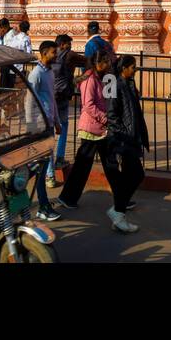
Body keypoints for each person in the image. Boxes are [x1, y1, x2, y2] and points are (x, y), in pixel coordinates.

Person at [57, 48, 126, 224]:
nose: (108, 64)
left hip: (101, 128)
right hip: (91, 128)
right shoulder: (89, 80)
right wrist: (106, 119)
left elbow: (109, 98)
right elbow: (88, 105)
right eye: (105, 61)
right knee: (83, 166)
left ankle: (122, 197)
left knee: (109, 165)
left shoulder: (102, 78)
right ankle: (68, 197)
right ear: (97, 63)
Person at [107, 55, 149, 230]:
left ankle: (118, 210)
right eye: (132, 67)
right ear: (124, 68)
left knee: (129, 176)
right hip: (123, 140)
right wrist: (125, 133)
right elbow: (111, 114)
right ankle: (119, 211)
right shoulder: (114, 84)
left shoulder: (129, 84)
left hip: (131, 138)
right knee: (136, 174)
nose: (135, 70)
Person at [25, 40, 61, 221]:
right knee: (38, 167)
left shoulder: (49, 73)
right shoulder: (36, 74)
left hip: (48, 125)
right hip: (38, 127)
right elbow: (29, 101)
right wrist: (31, 126)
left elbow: (51, 99)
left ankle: (32, 203)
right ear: (45, 53)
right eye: (54, 52)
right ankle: (43, 206)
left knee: (39, 166)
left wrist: (57, 121)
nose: (56, 55)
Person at [48, 34, 77, 186]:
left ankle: (52, 171)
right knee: (60, 129)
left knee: (53, 133)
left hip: (54, 98)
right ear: (63, 44)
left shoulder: (48, 63)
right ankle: (54, 166)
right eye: (69, 44)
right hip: (59, 99)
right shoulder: (68, 55)